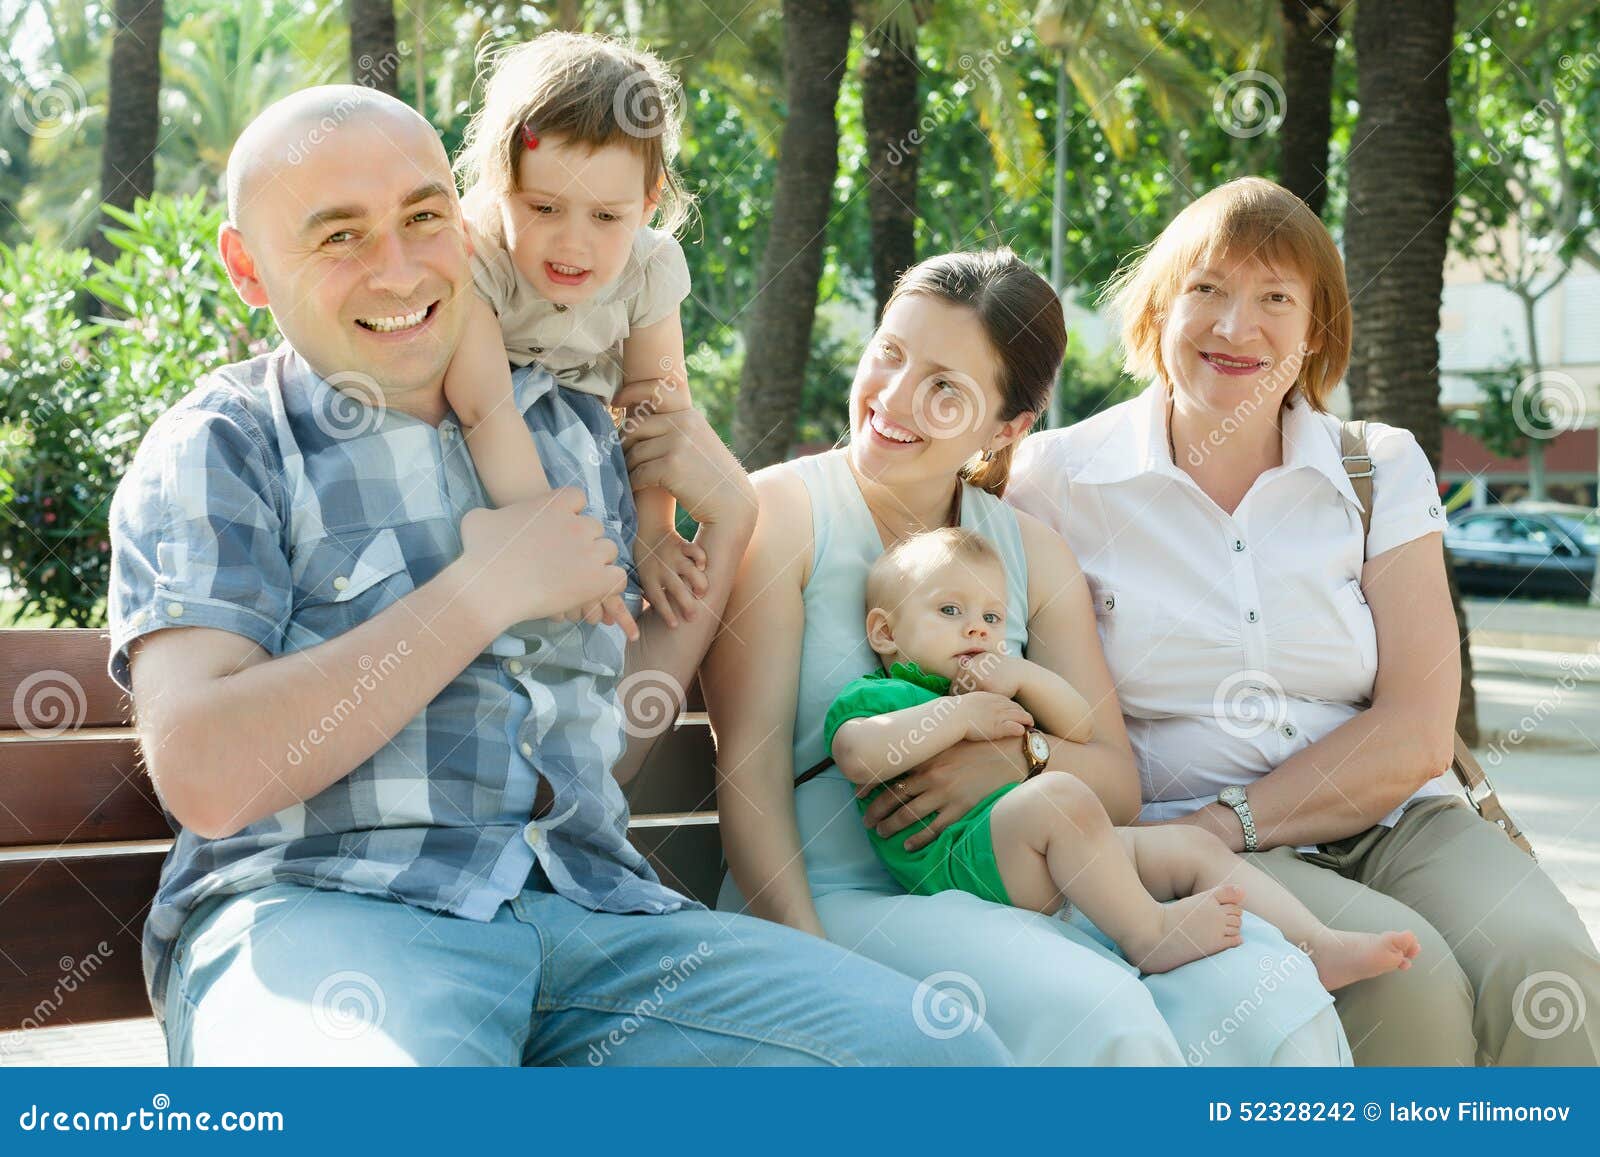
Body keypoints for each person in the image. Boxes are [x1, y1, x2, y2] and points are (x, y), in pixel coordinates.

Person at [105, 85, 1011, 1067]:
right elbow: (206, 773)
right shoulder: (227, 442)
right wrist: (482, 587)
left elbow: (599, 741)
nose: (399, 268)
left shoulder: (570, 431)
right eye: (340, 237)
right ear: (248, 266)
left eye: (421, 218)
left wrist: (732, 519)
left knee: (943, 1061)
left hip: (594, 914)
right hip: (327, 908)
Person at [705, 248, 1353, 1065]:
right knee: (1099, 1015)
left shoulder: (1030, 553)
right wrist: (809, 964)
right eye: (891, 354)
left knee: (1268, 996)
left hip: (1021, 880)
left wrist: (1020, 756)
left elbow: (1115, 780)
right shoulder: (786, 514)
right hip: (830, 902)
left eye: (946, 386)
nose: (896, 398)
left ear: (1007, 428)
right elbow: (749, 777)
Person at [1007, 175, 1600, 1065]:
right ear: (1160, 307)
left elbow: (1417, 728)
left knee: (1551, 963)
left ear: (1315, 329)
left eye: (1275, 298)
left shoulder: (1378, 467)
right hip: (1182, 834)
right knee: (1407, 981)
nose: (1236, 327)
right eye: (1206, 290)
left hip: (1399, 818)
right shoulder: (1058, 477)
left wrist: (1233, 821)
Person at [826, 526, 1421, 985]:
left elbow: (1080, 726)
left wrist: (1026, 675)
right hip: (958, 865)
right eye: (950, 612)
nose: (977, 631)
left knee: (1190, 845)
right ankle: (1149, 933)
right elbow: (857, 753)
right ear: (885, 633)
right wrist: (960, 716)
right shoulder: (883, 695)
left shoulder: (995, 687)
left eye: (991, 618)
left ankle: (1318, 947)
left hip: (1044, 850)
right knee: (1059, 795)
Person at [445, 31, 708, 635]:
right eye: (543, 207)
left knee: (608, 616)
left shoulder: (649, 266)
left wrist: (655, 531)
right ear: (498, 183)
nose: (573, 243)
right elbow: (484, 405)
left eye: (606, 217)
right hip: (482, 441)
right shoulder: (473, 255)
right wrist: (549, 543)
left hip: (586, 452)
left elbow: (656, 401)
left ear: (647, 204)